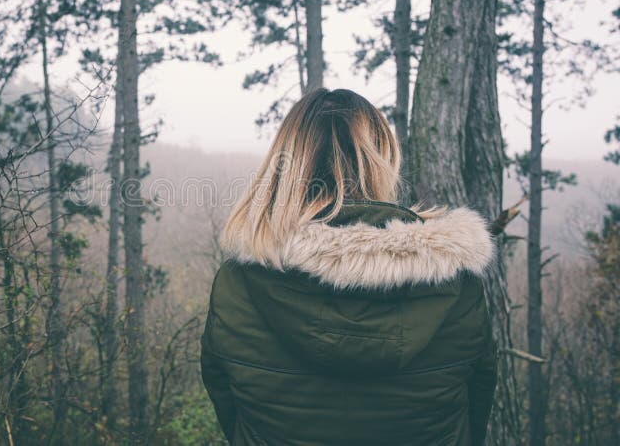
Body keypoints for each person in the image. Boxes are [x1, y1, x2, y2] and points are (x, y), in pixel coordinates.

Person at [200, 88, 498, 446]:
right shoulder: (454, 284)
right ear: (382, 160)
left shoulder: (238, 284)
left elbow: (232, 414)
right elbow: (475, 410)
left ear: (284, 166)